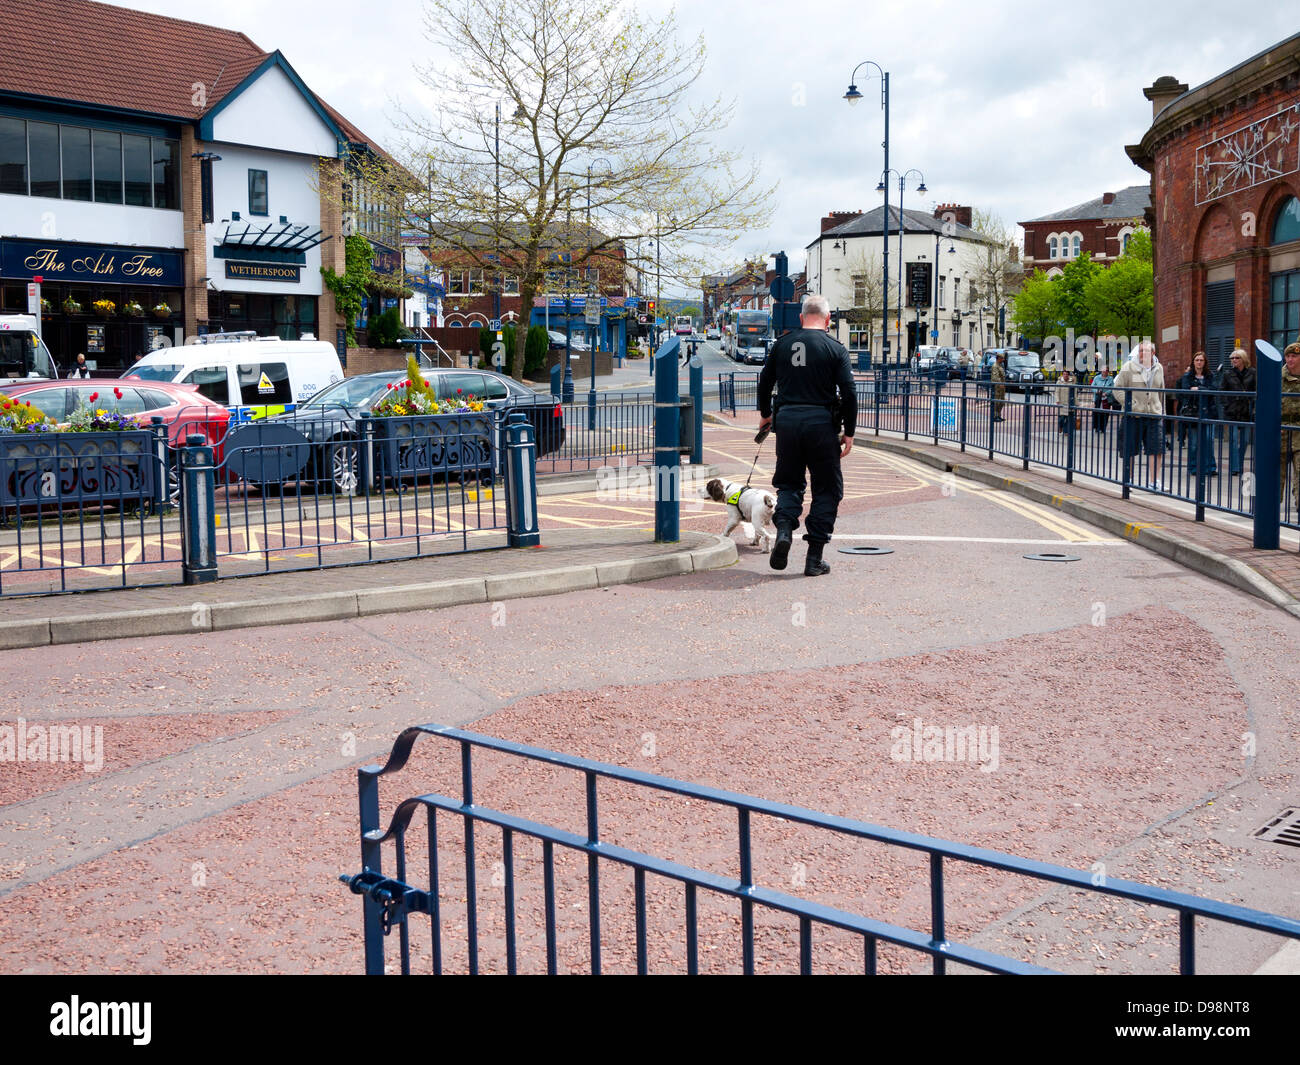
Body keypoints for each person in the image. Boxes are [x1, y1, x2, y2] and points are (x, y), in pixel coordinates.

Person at [757, 293, 856, 576]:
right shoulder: (835, 349)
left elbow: (765, 383)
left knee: (789, 484)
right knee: (827, 489)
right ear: (828, 320)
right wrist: (849, 432)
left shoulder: (783, 344)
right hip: (821, 425)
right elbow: (849, 393)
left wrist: (766, 415)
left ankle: (785, 530)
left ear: (801, 318)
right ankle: (814, 559)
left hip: (787, 423)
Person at [1112, 340, 1166, 490]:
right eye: (1141, 351)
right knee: (1129, 449)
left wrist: (1163, 412)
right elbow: (1117, 389)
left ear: (1153, 353)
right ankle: (1128, 480)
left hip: (1154, 415)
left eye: (1147, 351)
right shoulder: (1129, 367)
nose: (1143, 354)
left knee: (1156, 449)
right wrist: (1131, 405)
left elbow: (1162, 391)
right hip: (1133, 416)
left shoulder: (1159, 368)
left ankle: (1154, 482)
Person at [1177, 351, 1218, 477]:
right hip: (1193, 413)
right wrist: (1203, 390)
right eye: (1197, 360)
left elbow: (1214, 389)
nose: (1199, 362)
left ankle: (1210, 467)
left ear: (1205, 362)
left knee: (1209, 441)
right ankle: (1193, 467)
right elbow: (1185, 391)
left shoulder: (1210, 375)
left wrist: (1198, 389)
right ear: (1193, 362)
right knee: (1194, 443)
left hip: (1209, 412)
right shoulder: (1187, 376)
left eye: (1201, 360)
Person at [1220, 347, 1256, 477]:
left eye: (1237, 357)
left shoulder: (1252, 373)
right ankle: (1234, 467)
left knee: (1245, 440)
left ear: (1243, 359)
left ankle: (1239, 463)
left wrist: (1253, 404)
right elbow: (1222, 391)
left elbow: (1257, 390)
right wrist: (1227, 405)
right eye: (1232, 358)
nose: (1234, 360)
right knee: (1233, 440)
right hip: (1232, 411)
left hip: (1247, 411)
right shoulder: (1228, 374)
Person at [1283, 343, 1300, 519]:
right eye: (1288, 356)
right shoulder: (1277, 377)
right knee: (1275, 477)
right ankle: (1269, 511)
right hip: (1280, 433)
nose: (1290, 360)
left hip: (1299, 434)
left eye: (1294, 357)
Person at [1090, 366, 1116, 433]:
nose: (1105, 372)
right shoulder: (1096, 378)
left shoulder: (1110, 379)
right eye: (1104, 370)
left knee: (1105, 414)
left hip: (1107, 399)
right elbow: (1092, 386)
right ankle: (1097, 427)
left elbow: (1112, 388)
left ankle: (1103, 428)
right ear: (1101, 371)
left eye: (1107, 370)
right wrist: (1097, 391)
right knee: (1097, 413)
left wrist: (1106, 393)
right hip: (1098, 398)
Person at [991, 354, 1007, 421]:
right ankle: (995, 416)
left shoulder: (1000, 366)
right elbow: (995, 377)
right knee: (996, 402)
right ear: (999, 358)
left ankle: (999, 415)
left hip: (1002, 387)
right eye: (1002, 359)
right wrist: (1000, 383)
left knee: (1002, 402)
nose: (1003, 360)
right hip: (997, 387)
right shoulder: (995, 366)